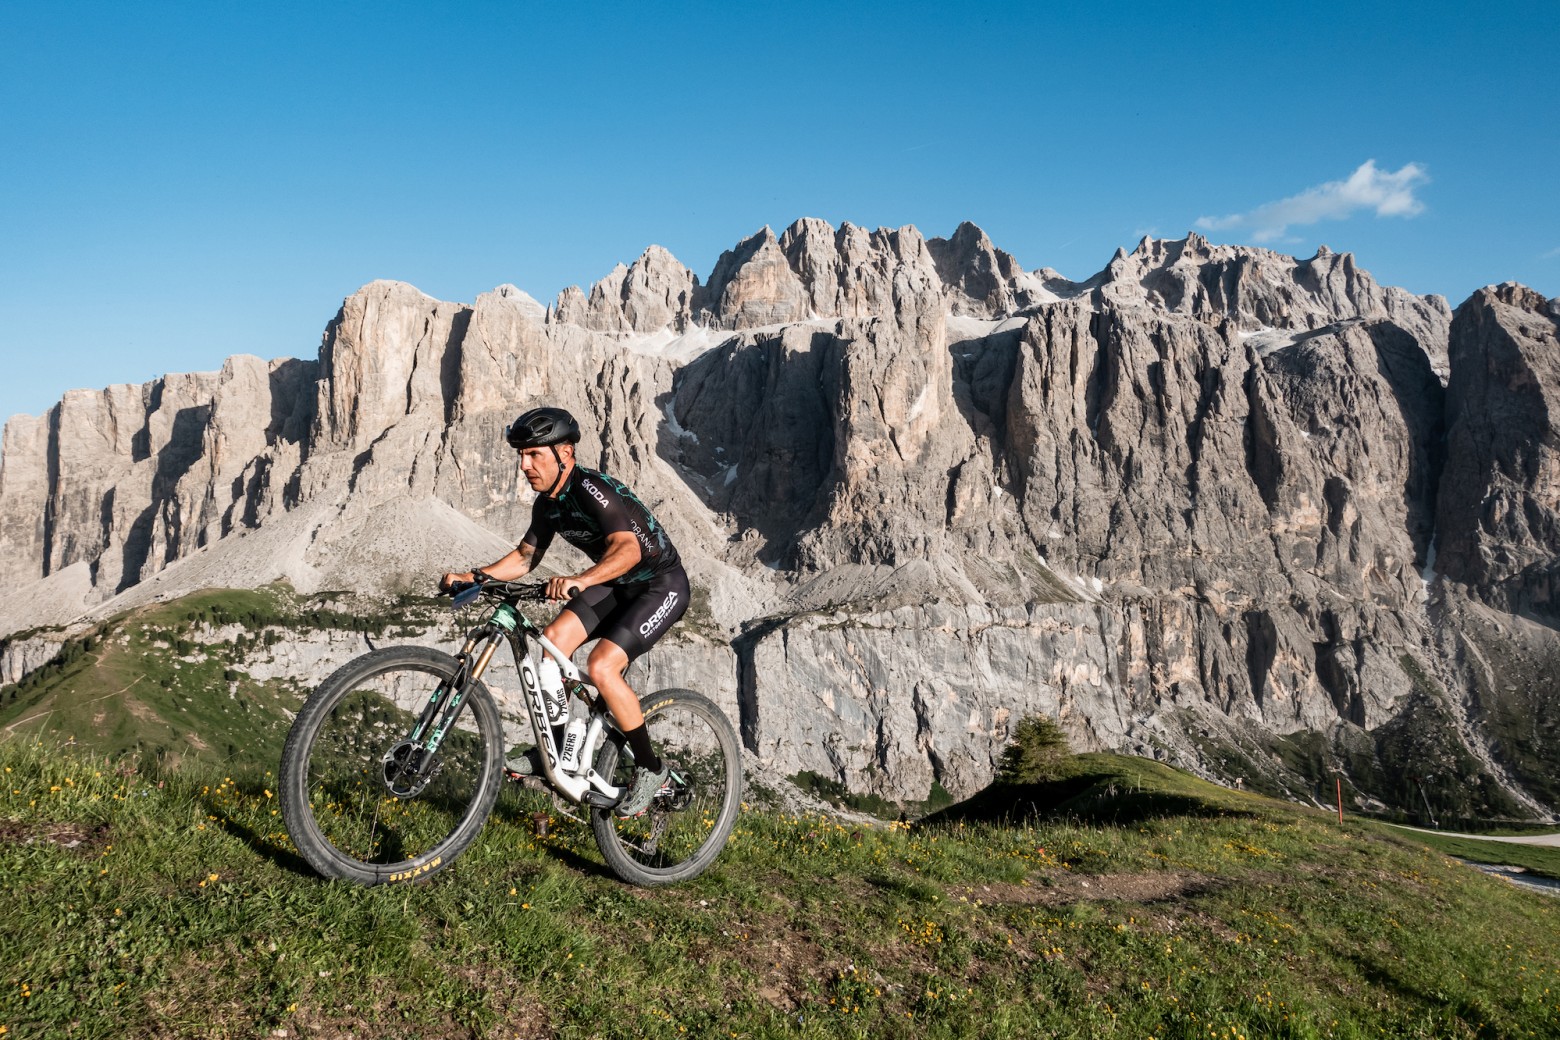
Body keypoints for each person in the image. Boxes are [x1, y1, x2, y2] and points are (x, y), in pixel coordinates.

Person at [440, 406, 689, 817]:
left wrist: (582, 579)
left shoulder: (592, 489)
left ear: (565, 454)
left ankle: (651, 768)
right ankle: (551, 754)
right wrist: (474, 576)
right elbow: (524, 557)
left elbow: (628, 549)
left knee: (602, 667)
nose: (524, 465)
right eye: (521, 455)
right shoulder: (548, 504)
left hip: (659, 585)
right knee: (553, 646)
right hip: (614, 583)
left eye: (534, 454)